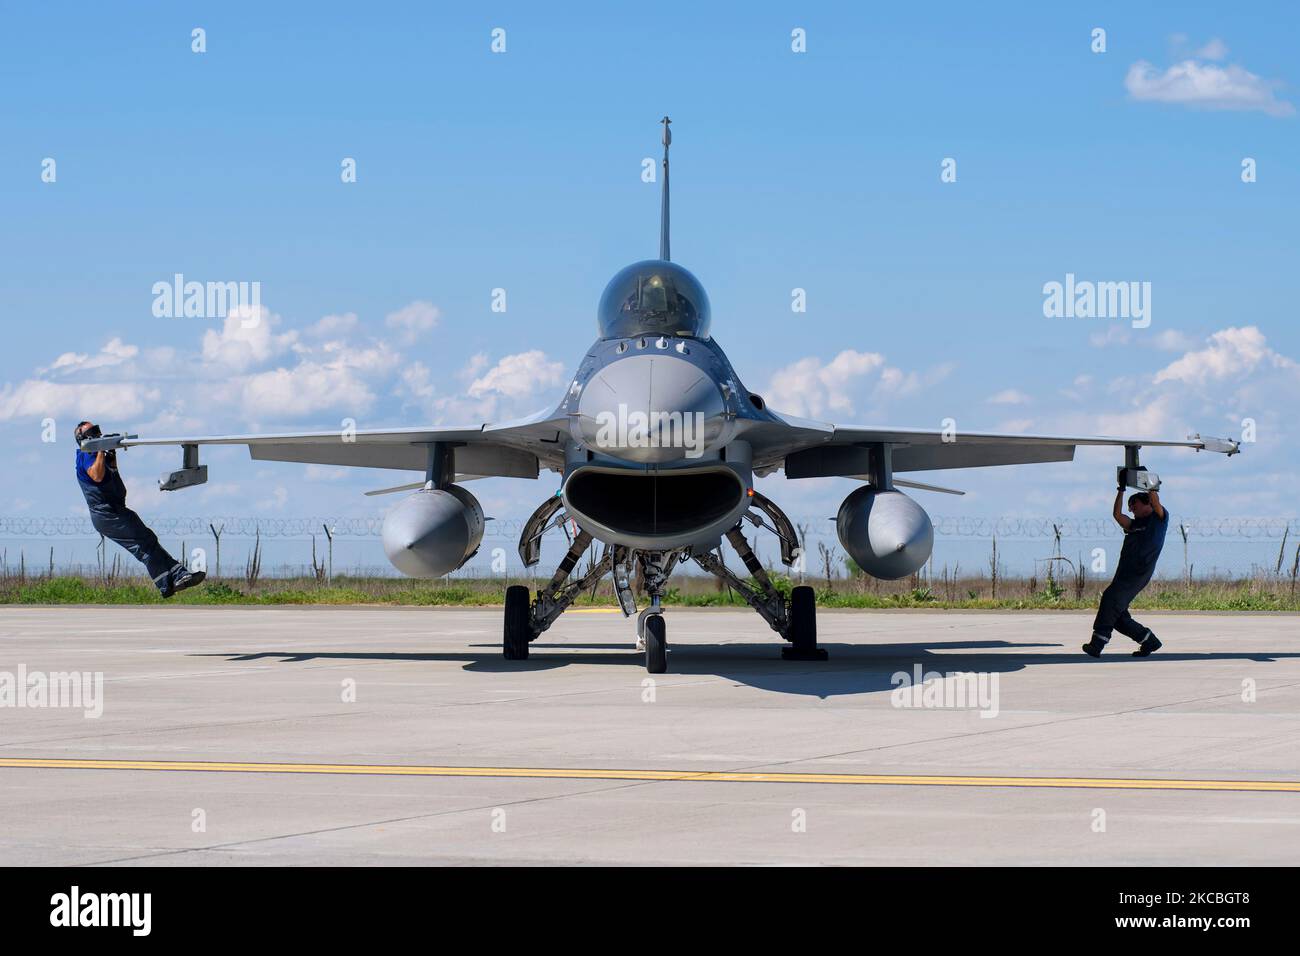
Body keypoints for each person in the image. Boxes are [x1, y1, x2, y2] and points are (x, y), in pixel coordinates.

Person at [74, 421, 205, 597]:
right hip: (106, 514)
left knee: (148, 539)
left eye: (97, 430)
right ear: (83, 438)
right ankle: (167, 584)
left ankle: (178, 574)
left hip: (115, 510)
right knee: (143, 546)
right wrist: (100, 449)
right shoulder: (84, 455)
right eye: (92, 432)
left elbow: (111, 479)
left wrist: (110, 455)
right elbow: (96, 476)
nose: (98, 434)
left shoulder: (99, 457)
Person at [1082, 483, 1168, 658]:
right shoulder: (1134, 524)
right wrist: (1121, 490)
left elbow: (1155, 501)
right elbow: (1117, 515)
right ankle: (1149, 641)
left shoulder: (1159, 519)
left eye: (1133, 505)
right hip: (1124, 572)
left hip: (1138, 573)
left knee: (1109, 598)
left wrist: (1149, 484)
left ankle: (1097, 643)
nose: (1130, 509)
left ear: (1146, 504)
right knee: (1118, 616)